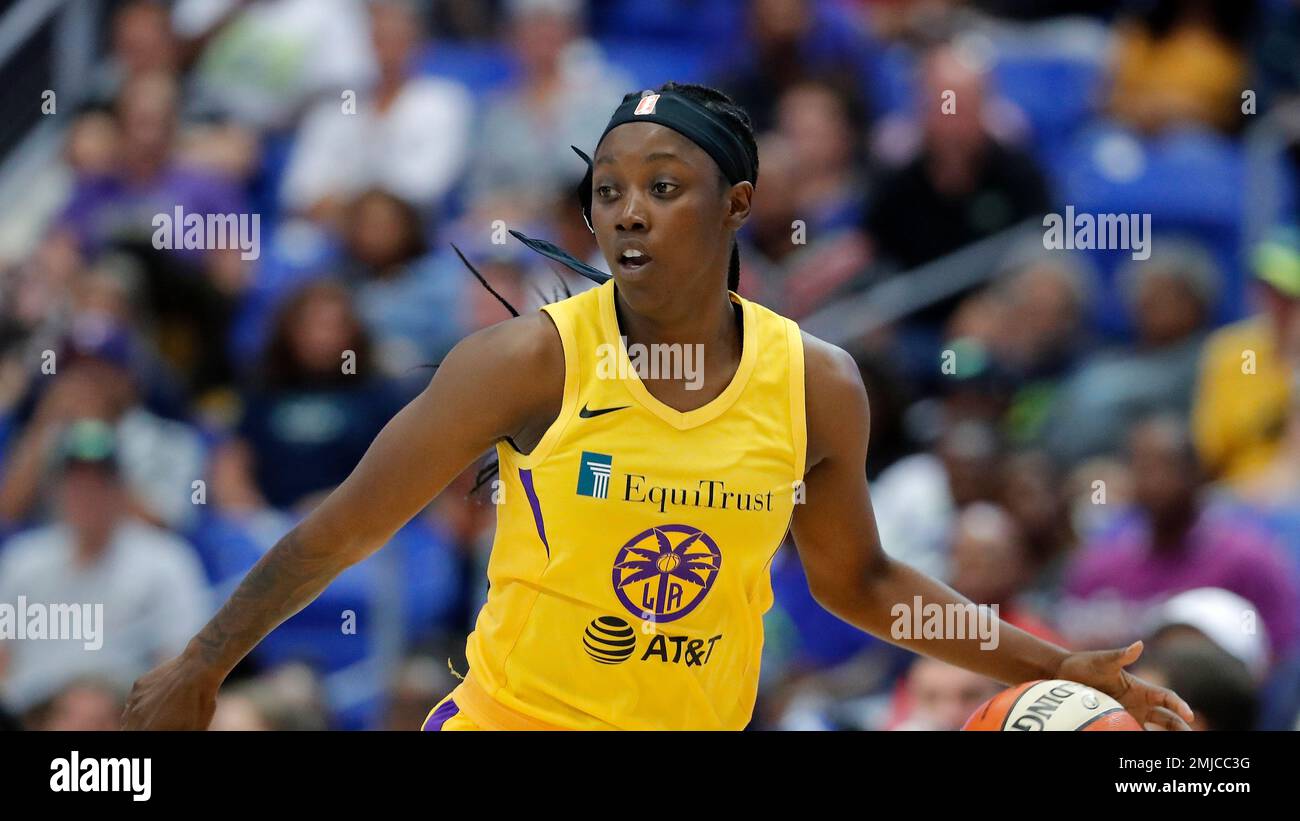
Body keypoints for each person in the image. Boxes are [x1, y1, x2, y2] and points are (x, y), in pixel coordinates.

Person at [122, 82, 1193, 731]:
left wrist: (1054, 661)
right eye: (608, 189)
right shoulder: (525, 362)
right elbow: (345, 523)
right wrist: (203, 661)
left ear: (735, 205)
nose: (626, 213)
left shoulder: (815, 381)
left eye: (663, 186)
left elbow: (862, 581)